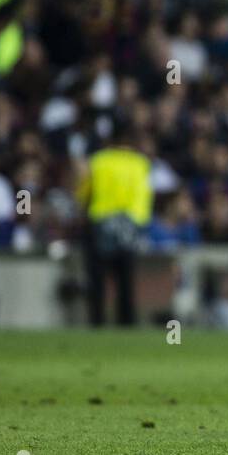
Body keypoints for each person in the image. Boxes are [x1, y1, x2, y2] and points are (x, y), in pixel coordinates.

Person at [76, 120, 152, 325]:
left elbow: (84, 192)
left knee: (97, 280)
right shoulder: (140, 163)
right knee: (126, 281)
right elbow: (145, 196)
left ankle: (97, 323)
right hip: (130, 223)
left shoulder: (98, 161)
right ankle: (126, 324)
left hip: (102, 222)